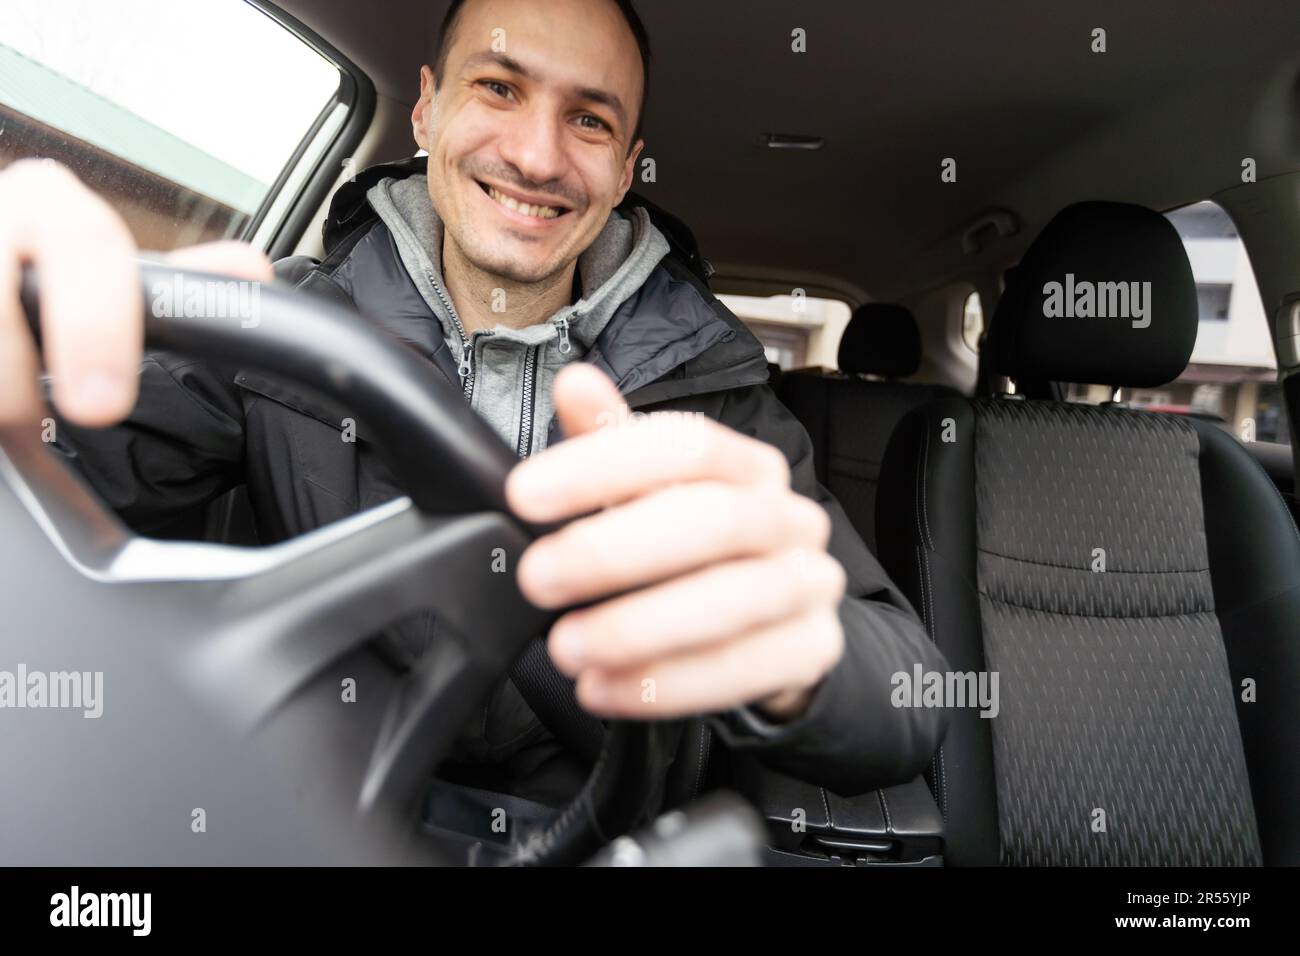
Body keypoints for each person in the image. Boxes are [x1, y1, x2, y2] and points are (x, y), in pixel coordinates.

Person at [0, 0, 947, 810]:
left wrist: (799, 663)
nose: (536, 155)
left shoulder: (717, 387)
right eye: (499, 87)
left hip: (599, 832)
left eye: (589, 120)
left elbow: (907, 693)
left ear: (625, 169)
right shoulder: (280, 327)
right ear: (425, 108)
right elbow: (44, 504)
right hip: (317, 817)